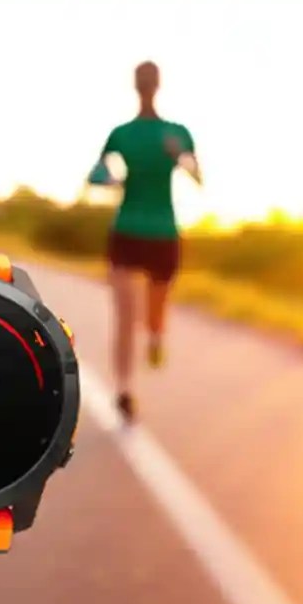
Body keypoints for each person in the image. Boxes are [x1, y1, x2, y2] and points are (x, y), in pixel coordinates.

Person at [90, 60, 202, 423]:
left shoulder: (178, 133)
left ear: (157, 84)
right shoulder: (121, 133)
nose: (146, 84)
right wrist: (113, 181)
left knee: (153, 317)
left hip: (163, 234)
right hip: (127, 232)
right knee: (125, 317)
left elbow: (198, 176)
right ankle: (124, 391)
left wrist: (180, 157)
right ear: (137, 84)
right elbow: (96, 173)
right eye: (143, 79)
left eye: (149, 79)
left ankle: (155, 338)